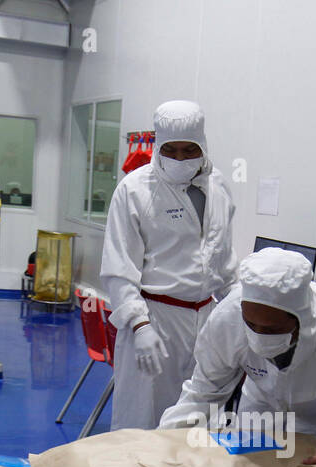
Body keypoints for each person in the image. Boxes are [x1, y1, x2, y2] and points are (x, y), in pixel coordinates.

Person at [159, 248, 316, 467]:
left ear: (301, 318)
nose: (259, 337)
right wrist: (166, 439)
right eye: (251, 325)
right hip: (260, 406)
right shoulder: (227, 320)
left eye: (271, 330)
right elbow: (203, 391)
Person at [100, 100, 237, 430]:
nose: (179, 159)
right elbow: (119, 268)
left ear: (202, 146)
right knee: (144, 416)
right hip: (155, 319)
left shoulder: (217, 188)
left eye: (188, 150)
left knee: (198, 416)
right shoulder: (134, 190)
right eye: (170, 150)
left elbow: (223, 260)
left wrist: (238, 309)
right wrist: (139, 325)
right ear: (157, 147)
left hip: (207, 317)